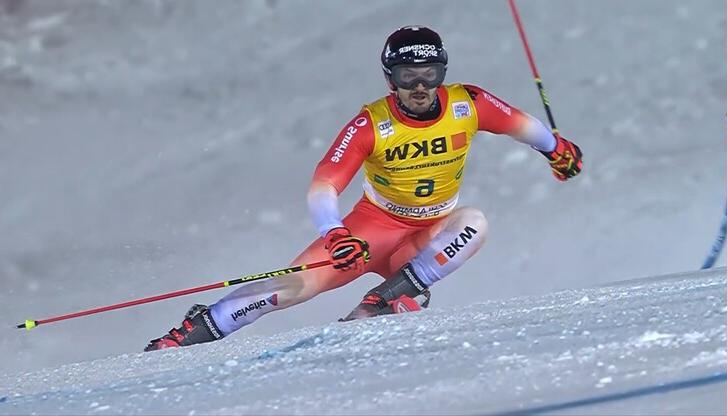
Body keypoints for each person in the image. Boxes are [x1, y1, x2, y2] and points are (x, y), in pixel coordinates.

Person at [145, 25, 582, 351]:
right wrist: (334, 233)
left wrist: (555, 149)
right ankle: (191, 334)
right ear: (389, 77)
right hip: (371, 232)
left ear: (442, 72)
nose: (419, 86)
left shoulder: (469, 102)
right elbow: (324, 183)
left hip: (425, 237)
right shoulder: (372, 123)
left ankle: (381, 302)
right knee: (296, 285)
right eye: (406, 75)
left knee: (474, 224)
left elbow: (521, 125)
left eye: (429, 73)